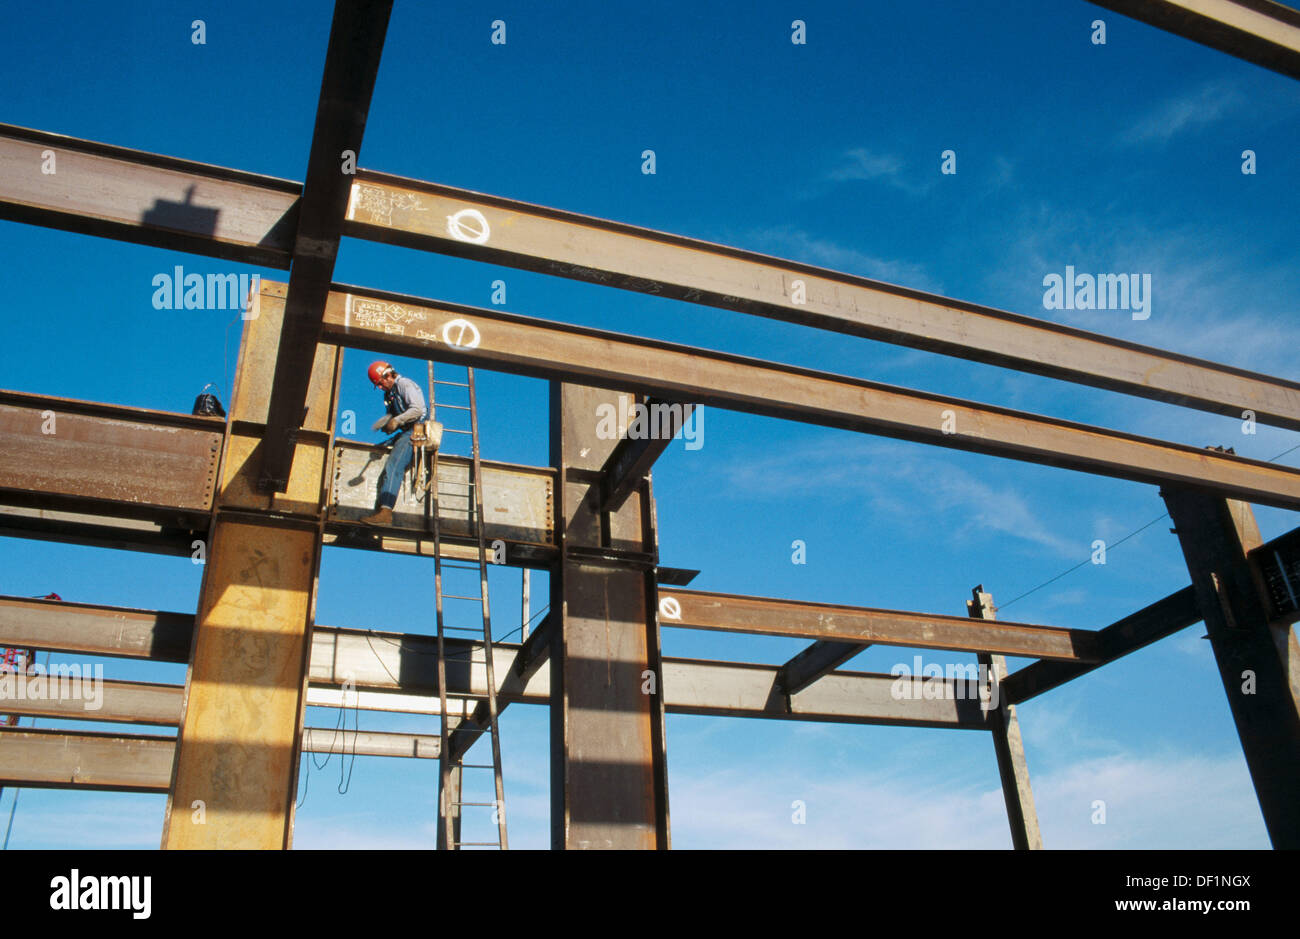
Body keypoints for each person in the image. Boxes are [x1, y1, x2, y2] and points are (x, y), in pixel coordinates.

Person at [358, 360, 427, 526]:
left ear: (388, 375)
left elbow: (417, 409)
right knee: (381, 448)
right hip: (405, 430)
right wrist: (385, 423)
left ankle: (385, 512)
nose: (380, 387)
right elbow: (391, 416)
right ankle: (384, 507)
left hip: (416, 430)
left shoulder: (405, 384)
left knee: (394, 465)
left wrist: (397, 421)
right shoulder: (389, 394)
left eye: (380, 383)